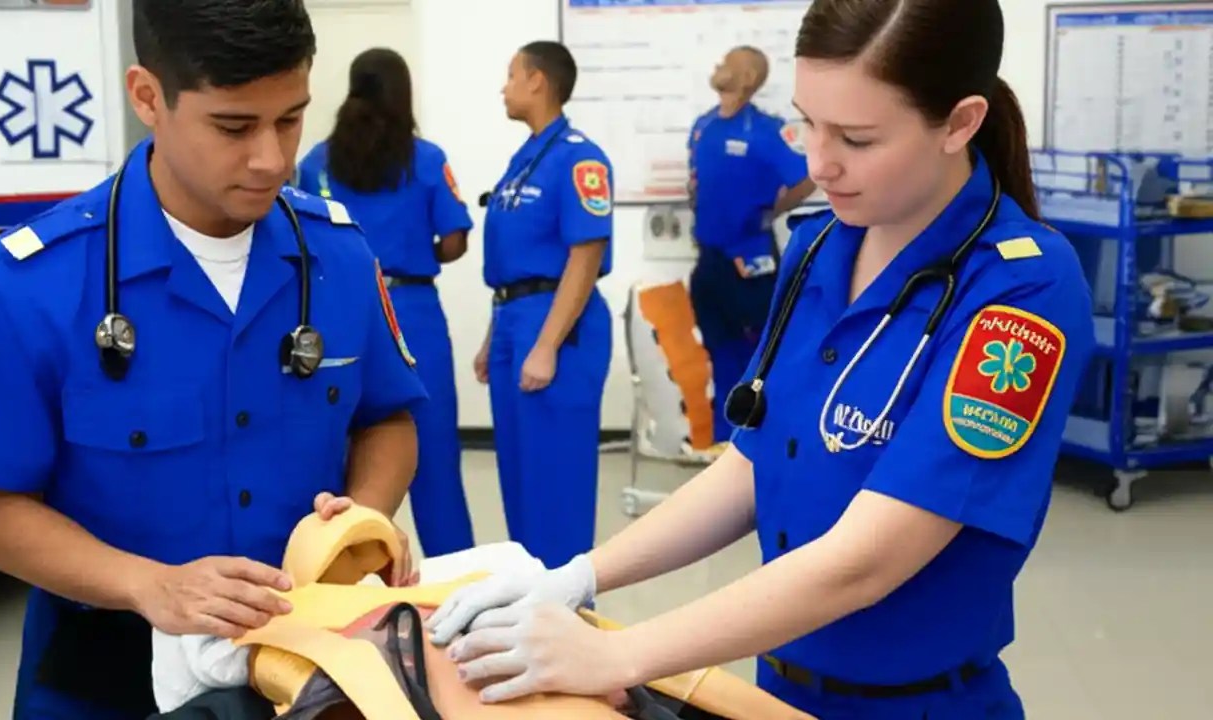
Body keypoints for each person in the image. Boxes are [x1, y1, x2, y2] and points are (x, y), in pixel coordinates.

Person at [426, 1, 1096, 718]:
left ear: (960, 123)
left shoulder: (1022, 291)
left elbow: (865, 562)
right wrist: (583, 574)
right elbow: (754, 463)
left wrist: (621, 654)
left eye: (858, 138)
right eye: (807, 122)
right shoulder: (817, 248)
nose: (817, 163)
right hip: (774, 688)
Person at [0, 2, 427, 718]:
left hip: (306, 670)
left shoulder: (339, 258)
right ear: (147, 97)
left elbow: (386, 420)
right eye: (233, 126)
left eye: (290, 118)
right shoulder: (32, 284)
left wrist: (360, 522)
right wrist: (148, 585)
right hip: (104, 678)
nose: (273, 159)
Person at [296, 47, 476, 559]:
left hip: (339, 315)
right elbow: (456, 240)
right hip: (411, 310)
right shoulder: (427, 159)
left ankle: (342, 571)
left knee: (341, 456)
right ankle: (452, 584)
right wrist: (418, 249)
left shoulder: (316, 163)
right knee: (435, 455)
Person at [475, 41, 613, 571]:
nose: (504, 87)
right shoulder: (526, 159)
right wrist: (494, 338)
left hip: (558, 325)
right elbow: (512, 263)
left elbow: (585, 254)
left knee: (557, 477)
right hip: (514, 320)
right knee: (520, 474)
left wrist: (547, 345)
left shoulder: (580, 157)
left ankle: (566, 606)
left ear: (537, 81)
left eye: (511, 75)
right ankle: (529, 598)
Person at [688, 45, 815, 446]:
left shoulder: (765, 130)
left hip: (751, 262)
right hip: (709, 262)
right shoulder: (703, 125)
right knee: (718, 349)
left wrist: (772, 211)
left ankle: (762, 444)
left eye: (728, 63)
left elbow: (806, 176)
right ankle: (725, 441)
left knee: (758, 355)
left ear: (747, 78)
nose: (717, 65)